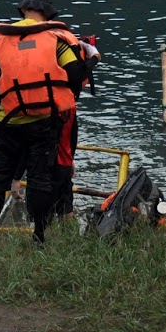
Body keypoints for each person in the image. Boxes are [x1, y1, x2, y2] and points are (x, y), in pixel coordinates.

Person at [0, 0, 87, 243]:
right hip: (43, 122)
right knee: (39, 179)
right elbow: (75, 76)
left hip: (8, 119)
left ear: (24, 8)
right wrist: (91, 59)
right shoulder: (57, 38)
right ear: (46, 13)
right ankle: (39, 236)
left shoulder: (0, 38)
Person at [53, 32, 101, 218]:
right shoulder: (68, 98)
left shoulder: (53, 53)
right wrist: (95, 58)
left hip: (40, 119)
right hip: (62, 114)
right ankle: (66, 215)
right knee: (62, 169)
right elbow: (77, 75)